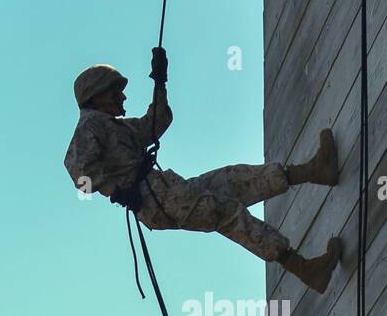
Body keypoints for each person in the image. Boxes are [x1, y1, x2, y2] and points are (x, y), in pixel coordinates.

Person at [64, 52, 342, 294]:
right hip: (156, 200)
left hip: (167, 191)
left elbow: (156, 123)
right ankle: (304, 268)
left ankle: (314, 171)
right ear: (97, 95)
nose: (122, 96)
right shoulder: (91, 127)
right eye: (115, 91)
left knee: (235, 179)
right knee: (227, 213)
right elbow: (79, 171)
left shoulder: (116, 127)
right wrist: (119, 193)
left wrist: (159, 82)